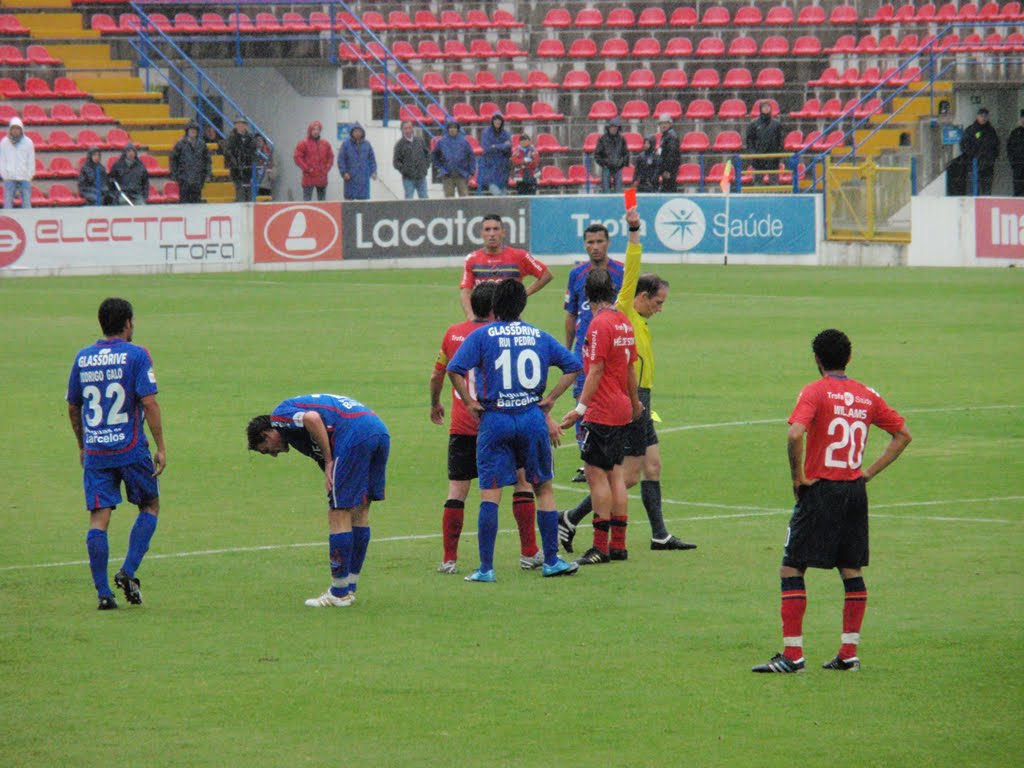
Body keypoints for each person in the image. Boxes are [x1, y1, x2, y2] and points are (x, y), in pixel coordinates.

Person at [752, 329, 912, 673]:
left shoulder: (815, 391)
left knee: (791, 566)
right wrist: (867, 472)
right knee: (850, 568)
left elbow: (795, 433)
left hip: (821, 490)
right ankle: (848, 653)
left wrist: (797, 477)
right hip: (854, 491)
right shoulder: (867, 395)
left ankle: (793, 657)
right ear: (849, 358)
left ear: (817, 360)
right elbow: (902, 435)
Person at [560, 209, 696, 553]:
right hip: (628, 400)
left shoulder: (634, 320)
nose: (660, 309)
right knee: (628, 475)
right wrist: (634, 229)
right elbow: (633, 263)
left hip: (641, 398)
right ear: (641, 295)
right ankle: (573, 518)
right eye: (659, 302)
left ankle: (659, 534)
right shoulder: (624, 310)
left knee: (652, 466)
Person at [446, 279, 582, 581]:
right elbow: (574, 367)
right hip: (531, 418)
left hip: (495, 420)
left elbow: (454, 369)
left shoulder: (483, 336)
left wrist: (469, 402)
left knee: (490, 494)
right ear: (523, 305)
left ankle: (486, 568)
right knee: (543, 489)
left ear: (494, 306)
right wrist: (549, 400)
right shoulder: (539, 336)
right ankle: (551, 560)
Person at [429, 282, 545, 574]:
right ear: (496, 308)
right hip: (498, 422)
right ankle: (529, 552)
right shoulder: (497, 336)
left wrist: (435, 404)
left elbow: (438, 374)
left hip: (462, 425)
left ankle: (449, 559)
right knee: (521, 482)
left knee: (457, 490)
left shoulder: (453, 333)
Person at [66, 298, 166, 610]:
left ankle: (103, 594)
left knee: (99, 518)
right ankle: (129, 570)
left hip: (96, 451)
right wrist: (161, 446)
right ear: (127, 323)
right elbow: (148, 403)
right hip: (131, 448)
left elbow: (73, 406)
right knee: (150, 505)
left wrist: (83, 444)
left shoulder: (82, 358)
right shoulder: (137, 355)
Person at [247, 393, 390, 608]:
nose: (274, 454)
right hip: (378, 430)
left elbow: (312, 418)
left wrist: (331, 461)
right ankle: (349, 587)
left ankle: (338, 593)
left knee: (338, 512)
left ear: (267, 432)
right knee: (360, 511)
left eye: (267, 450)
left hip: (353, 435)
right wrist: (329, 468)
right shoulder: (299, 438)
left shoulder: (279, 417)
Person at [559, 268, 642, 565]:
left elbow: (594, 370)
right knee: (616, 475)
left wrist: (579, 409)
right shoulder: (624, 322)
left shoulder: (598, 325)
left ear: (587, 296)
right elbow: (631, 368)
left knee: (596, 477)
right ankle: (618, 545)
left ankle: (599, 547)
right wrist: (634, 403)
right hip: (621, 407)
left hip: (602, 410)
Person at [564, 223, 625, 481]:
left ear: (608, 242)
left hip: (612, 351)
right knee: (583, 402)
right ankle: (586, 458)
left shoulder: (621, 272)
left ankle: (614, 453)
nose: (595, 247)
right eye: (590, 242)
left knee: (608, 401)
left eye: (600, 241)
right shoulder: (576, 274)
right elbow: (571, 314)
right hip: (584, 351)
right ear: (584, 244)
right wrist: (567, 352)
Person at [459, 213, 553, 320]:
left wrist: (523, 294)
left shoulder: (519, 256)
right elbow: (466, 291)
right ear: (481, 233)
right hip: (483, 321)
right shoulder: (472, 259)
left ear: (503, 233)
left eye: (496, 229)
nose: (492, 234)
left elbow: (546, 275)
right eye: (487, 229)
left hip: (510, 321)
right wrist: (470, 316)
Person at [959, 107, 1000, 196]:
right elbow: (964, 146)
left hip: (988, 166)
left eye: (985, 116)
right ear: (977, 116)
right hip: (973, 165)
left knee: (987, 191)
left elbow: (996, 146)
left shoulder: (991, 131)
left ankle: (986, 207)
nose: (983, 118)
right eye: (981, 116)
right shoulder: (970, 130)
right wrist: (973, 157)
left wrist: (991, 159)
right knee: (973, 191)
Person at [169, 120, 211, 204]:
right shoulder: (180, 144)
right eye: (191, 130)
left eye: (194, 130)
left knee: (196, 204)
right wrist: (175, 175)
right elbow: (173, 160)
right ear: (187, 131)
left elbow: (207, 161)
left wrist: (207, 174)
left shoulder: (202, 145)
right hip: (184, 180)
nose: (193, 132)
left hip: (198, 180)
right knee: (184, 204)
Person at [432, 120, 476, 198]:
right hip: (447, 175)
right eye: (450, 128)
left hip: (461, 174)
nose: (452, 130)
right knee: (449, 201)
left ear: (457, 129)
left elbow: (471, 156)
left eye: (454, 128)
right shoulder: (442, 142)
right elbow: (435, 155)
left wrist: (471, 171)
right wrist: (440, 168)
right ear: (447, 129)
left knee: (464, 199)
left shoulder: (464, 142)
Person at [294, 120, 334, 201]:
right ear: (310, 130)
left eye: (318, 130)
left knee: (322, 202)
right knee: (307, 201)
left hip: (322, 176)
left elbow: (331, 157)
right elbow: (297, 157)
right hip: (309, 177)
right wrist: (307, 169)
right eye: (314, 129)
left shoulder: (325, 144)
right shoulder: (303, 143)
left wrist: (326, 168)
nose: (316, 132)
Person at [0, 116, 34, 209]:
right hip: (9, 178)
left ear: (21, 129)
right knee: (7, 205)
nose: (15, 131)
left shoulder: (28, 143)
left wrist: (28, 177)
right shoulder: (4, 143)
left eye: (17, 128)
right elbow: (2, 161)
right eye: (13, 128)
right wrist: (5, 176)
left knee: (27, 204)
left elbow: (31, 162)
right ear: (10, 129)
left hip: (24, 178)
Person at [746, 100, 784, 184]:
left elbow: (780, 140)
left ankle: (775, 197)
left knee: (774, 182)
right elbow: (749, 141)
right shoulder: (753, 124)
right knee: (757, 182)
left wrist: (779, 154)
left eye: (768, 107)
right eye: (764, 107)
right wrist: (753, 154)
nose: (766, 109)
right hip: (758, 158)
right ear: (760, 109)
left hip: (773, 157)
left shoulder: (776, 124)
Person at [337, 122, 377, 201]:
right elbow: (341, 160)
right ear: (352, 133)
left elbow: (372, 160)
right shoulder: (346, 145)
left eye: (359, 131)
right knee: (350, 205)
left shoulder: (367, 144)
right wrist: (344, 172)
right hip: (350, 179)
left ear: (362, 133)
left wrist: (373, 171)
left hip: (363, 180)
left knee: (363, 206)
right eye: (355, 131)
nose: (358, 133)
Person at [392, 120, 430, 199]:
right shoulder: (399, 144)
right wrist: (405, 170)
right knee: (408, 201)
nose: (408, 130)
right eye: (405, 128)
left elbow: (427, 154)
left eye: (409, 128)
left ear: (412, 129)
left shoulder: (420, 140)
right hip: (408, 179)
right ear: (402, 130)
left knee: (425, 200)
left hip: (421, 177)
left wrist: (425, 166)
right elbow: (396, 162)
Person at [478, 112, 512, 196]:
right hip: (490, 165)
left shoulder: (505, 133)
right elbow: (487, 148)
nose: (498, 122)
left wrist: (495, 146)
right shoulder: (486, 133)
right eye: (496, 120)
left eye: (500, 120)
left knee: (503, 193)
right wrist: (502, 146)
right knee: (496, 192)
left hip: (503, 166)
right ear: (492, 121)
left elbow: (509, 146)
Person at [224, 115, 257, 202]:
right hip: (236, 170)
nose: (240, 126)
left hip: (248, 170)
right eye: (238, 124)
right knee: (240, 193)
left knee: (249, 194)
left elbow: (253, 153)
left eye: (242, 124)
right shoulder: (231, 138)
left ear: (246, 126)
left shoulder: (250, 138)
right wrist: (235, 163)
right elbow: (228, 153)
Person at [594, 117, 629, 193]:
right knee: (606, 190)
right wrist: (604, 164)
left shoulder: (622, 139)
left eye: (615, 127)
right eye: (612, 127)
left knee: (618, 190)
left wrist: (621, 163)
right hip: (606, 167)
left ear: (618, 128)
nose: (614, 129)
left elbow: (626, 154)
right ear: (609, 127)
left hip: (618, 168)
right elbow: (597, 155)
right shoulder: (602, 139)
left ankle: (618, 202)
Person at [656, 114, 681, 193]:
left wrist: (667, 170)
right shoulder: (666, 136)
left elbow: (671, 154)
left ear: (670, 124)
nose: (663, 125)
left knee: (669, 190)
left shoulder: (671, 136)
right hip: (666, 169)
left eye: (665, 123)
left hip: (669, 170)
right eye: (661, 123)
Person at [253, 133, 276, 199]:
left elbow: (269, 162)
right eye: (256, 141)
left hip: (265, 178)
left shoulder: (266, 150)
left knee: (264, 196)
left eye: (260, 140)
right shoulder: (255, 151)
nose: (258, 143)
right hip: (257, 177)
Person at [1007, 110, 1024, 197]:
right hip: (1018, 165)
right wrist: (1013, 163)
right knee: (1018, 188)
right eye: (1023, 118)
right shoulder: (1015, 133)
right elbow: (1009, 148)